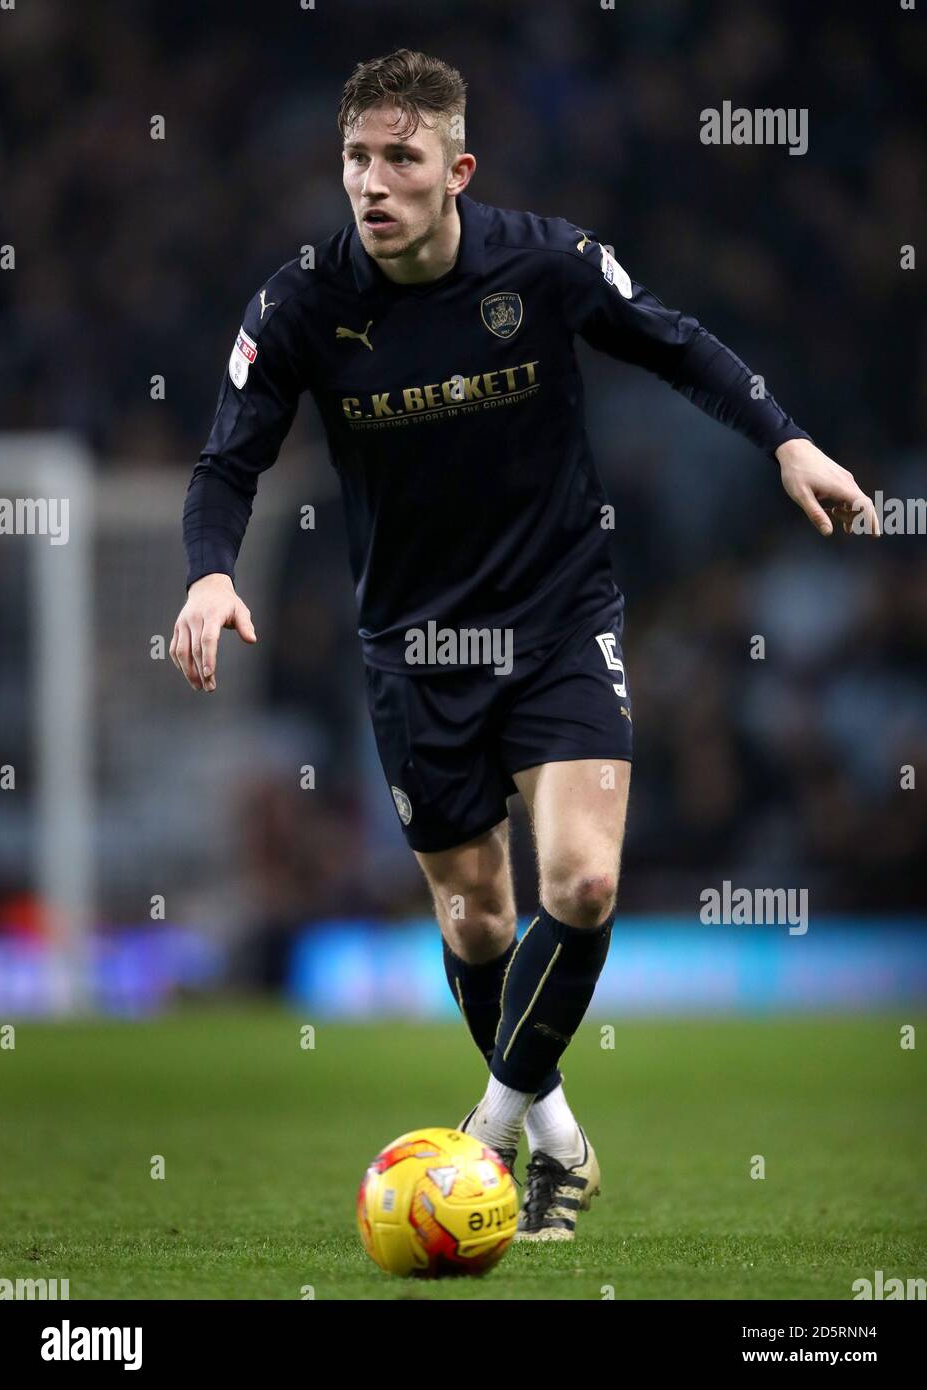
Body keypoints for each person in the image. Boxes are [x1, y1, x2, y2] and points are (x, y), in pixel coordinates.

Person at [172, 48, 878, 1241]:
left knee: (586, 880)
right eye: (356, 157)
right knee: (479, 922)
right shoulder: (299, 303)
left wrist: (786, 441)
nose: (373, 182)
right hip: (413, 648)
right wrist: (206, 570)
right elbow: (226, 458)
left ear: (459, 168)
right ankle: (559, 1143)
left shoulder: (544, 261)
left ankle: (483, 1141)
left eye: (402, 158)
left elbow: (675, 340)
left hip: (558, 620)